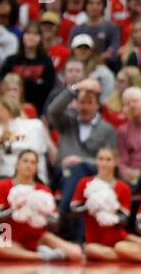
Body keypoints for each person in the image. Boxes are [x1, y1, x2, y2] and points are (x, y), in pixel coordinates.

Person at [47, 76, 118, 238]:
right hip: (63, 173)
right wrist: (74, 89)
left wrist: (82, 162)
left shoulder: (107, 129)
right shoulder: (67, 121)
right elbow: (52, 111)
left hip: (93, 175)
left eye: (89, 103)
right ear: (75, 103)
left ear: (97, 105)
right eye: (81, 102)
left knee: (79, 173)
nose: (84, 107)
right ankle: (68, 216)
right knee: (74, 175)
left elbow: (112, 160)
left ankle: (63, 213)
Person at [0, 150, 81, 262]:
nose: (28, 165)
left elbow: (55, 223)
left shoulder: (43, 189)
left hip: (39, 236)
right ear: (17, 164)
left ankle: (27, 253)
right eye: (25, 161)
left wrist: (39, 215)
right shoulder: (3, 185)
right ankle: (40, 256)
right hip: (9, 234)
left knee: (76, 253)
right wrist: (14, 210)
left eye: (33, 162)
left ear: (36, 167)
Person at [69, 147, 137, 262]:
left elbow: (125, 220)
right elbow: (73, 211)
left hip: (118, 239)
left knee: (140, 245)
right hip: (94, 242)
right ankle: (130, 258)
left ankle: (134, 255)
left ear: (115, 162)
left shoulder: (123, 187)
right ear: (96, 161)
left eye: (108, 160)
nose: (104, 163)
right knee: (91, 250)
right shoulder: (85, 182)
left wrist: (110, 215)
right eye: (100, 159)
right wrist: (91, 206)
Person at [0, 95, 52, 183]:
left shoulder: (34, 125)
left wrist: (7, 145)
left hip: (34, 177)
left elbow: (36, 147)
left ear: (10, 108)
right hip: (4, 177)